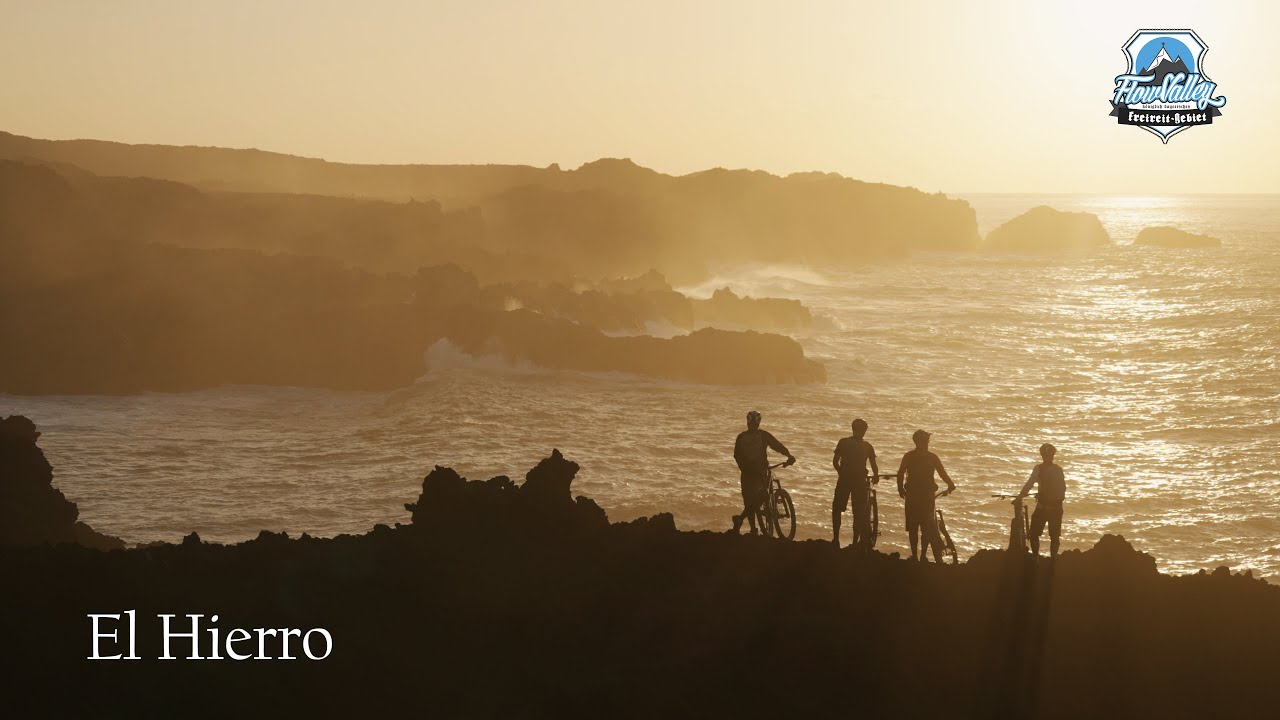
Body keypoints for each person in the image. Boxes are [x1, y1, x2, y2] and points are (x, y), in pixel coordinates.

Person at [895, 429, 955, 562]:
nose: (927, 443)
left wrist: (900, 488)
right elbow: (942, 473)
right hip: (927, 497)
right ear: (922, 442)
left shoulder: (909, 456)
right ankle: (922, 556)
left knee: (913, 527)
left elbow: (900, 473)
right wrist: (951, 484)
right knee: (927, 527)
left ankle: (915, 556)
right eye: (927, 441)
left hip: (912, 496)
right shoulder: (932, 457)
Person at [732, 410, 795, 535]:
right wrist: (789, 455)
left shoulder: (741, 437)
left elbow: (736, 455)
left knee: (748, 500)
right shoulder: (763, 435)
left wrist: (743, 468)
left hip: (746, 473)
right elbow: (777, 445)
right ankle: (740, 519)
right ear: (759, 422)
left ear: (747, 422)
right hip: (761, 472)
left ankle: (753, 529)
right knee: (761, 498)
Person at [832, 418, 878, 550]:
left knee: (837, 509)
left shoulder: (843, 442)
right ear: (864, 431)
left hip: (844, 479)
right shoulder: (868, 446)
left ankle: (835, 539)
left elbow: (835, 462)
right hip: (859, 481)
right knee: (858, 512)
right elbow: (874, 466)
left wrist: (841, 472)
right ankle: (854, 540)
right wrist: (876, 476)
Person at [1016, 443, 1066, 557]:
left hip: (1043, 508)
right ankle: (1053, 559)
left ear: (1042, 455)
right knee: (1055, 536)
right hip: (1058, 508)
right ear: (1053, 455)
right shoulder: (1059, 469)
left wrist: (1020, 497)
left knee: (1034, 534)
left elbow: (1029, 484)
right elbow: (1062, 488)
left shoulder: (1039, 469)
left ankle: (1035, 559)